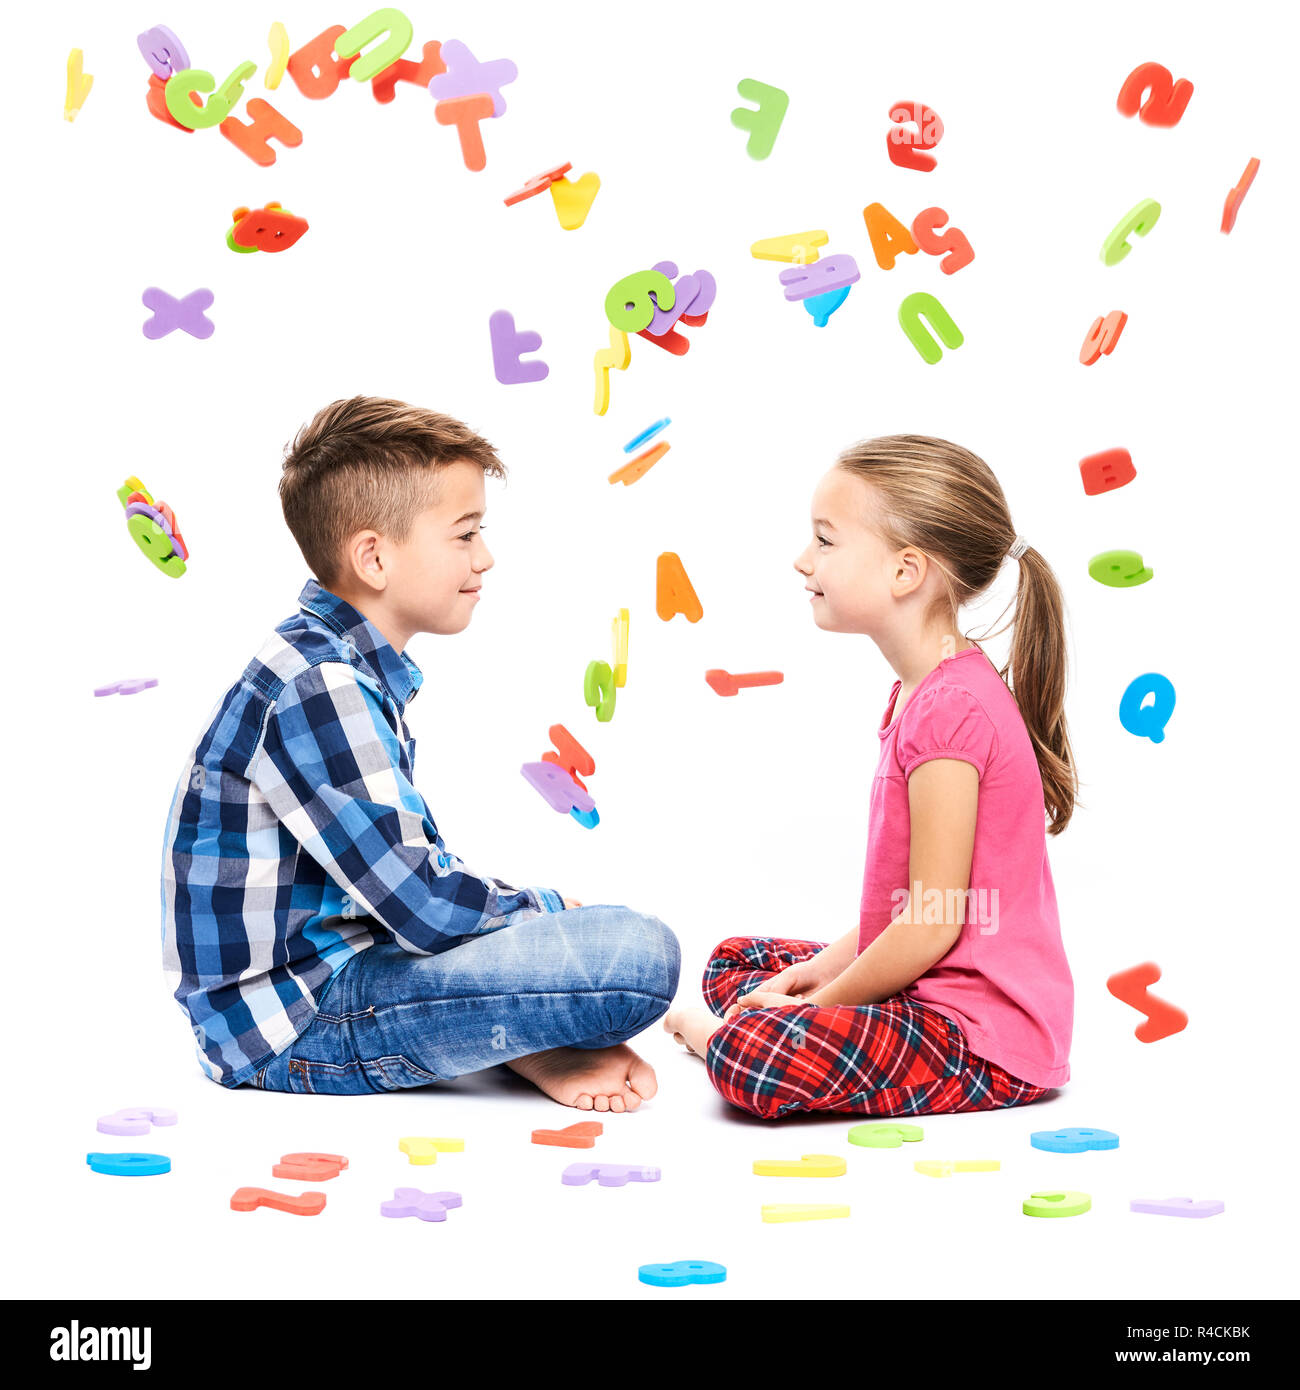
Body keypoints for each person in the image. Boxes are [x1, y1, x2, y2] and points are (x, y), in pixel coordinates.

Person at [161, 396, 680, 1110]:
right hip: (298, 1023)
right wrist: (553, 910)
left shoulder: (338, 665)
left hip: (346, 970)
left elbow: (401, 882)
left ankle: (517, 1041)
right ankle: (519, 1038)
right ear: (374, 556)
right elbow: (424, 905)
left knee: (583, 943)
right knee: (636, 957)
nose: (485, 556)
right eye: (465, 534)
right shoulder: (322, 686)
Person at [665, 435, 1074, 1118]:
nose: (803, 561)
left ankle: (721, 1040)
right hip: (929, 985)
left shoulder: (951, 714)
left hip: (981, 1037)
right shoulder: (921, 691)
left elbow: (933, 924)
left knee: (754, 1055)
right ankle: (756, 1020)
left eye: (825, 541)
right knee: (736, 962)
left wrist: (816, 1006)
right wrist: (816, 971)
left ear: (906, 572)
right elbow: (904, 912)